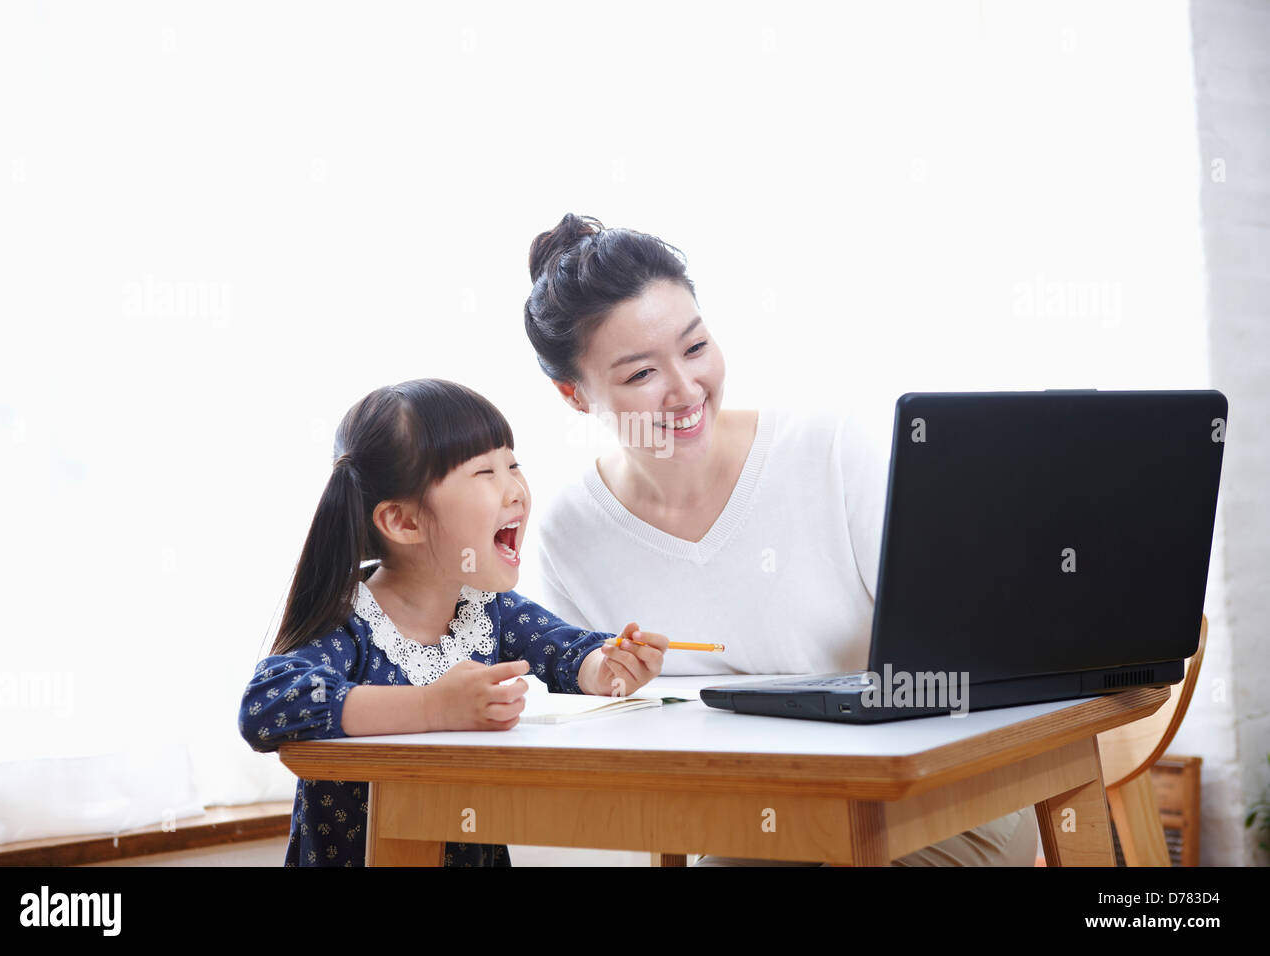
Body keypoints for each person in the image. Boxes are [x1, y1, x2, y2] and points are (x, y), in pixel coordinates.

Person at [522, 214, 1038, 866]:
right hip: (755, 824)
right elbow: (595, 722)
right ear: (573, 395)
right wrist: (604, 681)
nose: (685, 391)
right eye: (640, 375)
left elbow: (969, 650)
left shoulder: (828, 448)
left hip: (939, 795)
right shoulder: (573, 532)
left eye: (695, 347)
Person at [238, 379, 668, 867]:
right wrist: (433, 706)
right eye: (485, 471)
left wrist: (608, 668)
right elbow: (267, 707)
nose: (515, 490)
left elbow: (565, 651)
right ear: (403, 522)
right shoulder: (350, 622)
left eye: (513, 464)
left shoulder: (486, 610)